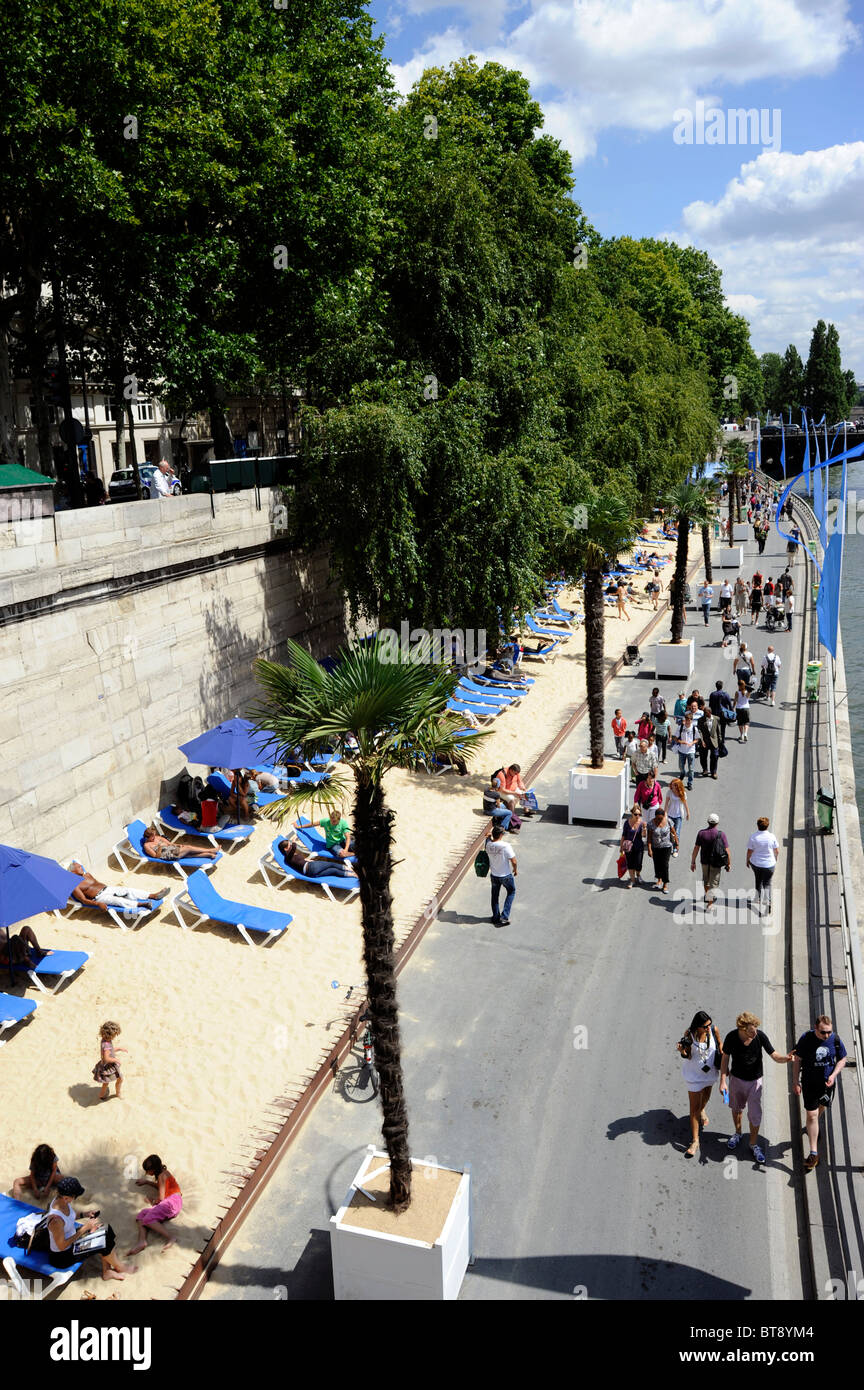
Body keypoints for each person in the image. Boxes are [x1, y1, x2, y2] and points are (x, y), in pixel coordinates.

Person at [719, 1012, 792, 1165]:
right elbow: (725, 1058)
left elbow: (774, 1055)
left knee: (755, 1114)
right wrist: (723, 1081)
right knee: (736, 1108)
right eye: (752, 1030)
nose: (755, 1032)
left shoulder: (760, 1037)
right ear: (743, 1029)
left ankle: (753, 1144)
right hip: (736, 1080)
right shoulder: (732, 1037)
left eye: (756, 1028)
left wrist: (785, 1059)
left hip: (755, 1082)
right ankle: (738, 1133)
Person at [46, 1176, 136, 1281]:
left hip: (72, 1242)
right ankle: (118, 1267)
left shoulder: (61, 1201)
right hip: (63, 1256)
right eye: (75, 1196)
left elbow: (69, 1217)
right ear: (66, 1197)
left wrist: (85, 1214)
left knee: (106, 1229)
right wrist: (85, 1228)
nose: (75, 1198)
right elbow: (62, 1246)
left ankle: (107, 1270)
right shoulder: (56, 1220)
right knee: (104, 1240)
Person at [792, 1016, 848, 1171]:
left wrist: (833, 1075)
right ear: (815, 1028)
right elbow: (797, 1060)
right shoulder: (806, 1038)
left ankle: (812, 1127)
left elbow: (842, 1059)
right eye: (823, 1032)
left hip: (827, 1085)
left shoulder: (835, 1039)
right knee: (812, 1115)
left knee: (820, 1110)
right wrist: (796, 1081)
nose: (827, 1036)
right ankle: (813, 1153)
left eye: (829, 1032)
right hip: (810, 1083)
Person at [677, 1010, 724, 1157]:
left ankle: (702, 1109)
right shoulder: (689, 1034)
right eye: (705, 1026)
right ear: (697, 1026)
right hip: (694, 1076)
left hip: (710, 1073)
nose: (708, 1028)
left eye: (709, 1024)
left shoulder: (713, 1030)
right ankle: (695, 1141)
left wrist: (723, 1060)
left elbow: (720, 1044)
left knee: (705, 1098)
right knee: (694, 1109)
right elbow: (688, 1055)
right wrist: (682, 1051)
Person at [68, 862, 167, 918]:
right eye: (78, 867)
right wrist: (98, 904)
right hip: (99, 897)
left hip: (107, 888)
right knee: (118, 901)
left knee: (128, 890)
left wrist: (111, 889)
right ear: (73, 871)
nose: (81, 867)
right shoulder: (74, 885)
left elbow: (97, 883)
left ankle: (152, 895)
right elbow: (83, 900)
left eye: (81, 866)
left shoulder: (87, 875)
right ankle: (141, 904)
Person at [128, 1155, 184, 1253]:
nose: (147, 1173)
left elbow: (161, 1198)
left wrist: (152, 1200)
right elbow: (160, 1186)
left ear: (153, 1169)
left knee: (148, 1219)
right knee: (142, 1214)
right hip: (172, 1202)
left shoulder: (162, 1176)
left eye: (147, 1170)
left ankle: (171, 1237)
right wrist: (146, 1182)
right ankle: (142, 1241)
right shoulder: (163, 1174)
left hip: (172, 1202)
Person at [690, 811, 731, 911]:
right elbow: (727, 851)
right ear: (717, 823)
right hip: (716, 863)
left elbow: (696, 848)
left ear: (708, 822)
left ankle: (707, 896)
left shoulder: (701, 833)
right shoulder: (721, 834)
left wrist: (693, 862)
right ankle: (709, 904)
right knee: (713, 883)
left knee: (706, 880)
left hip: (704, 861)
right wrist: (728, 863)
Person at [746, 816, 780, 915]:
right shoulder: (772, 836)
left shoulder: (753, 837)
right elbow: (776, 851)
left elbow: (749, 851)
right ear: (767, 826)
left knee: (758, 879)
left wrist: (747, 860)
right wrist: (775, 859)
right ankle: (768, 901)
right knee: (767, 883)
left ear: (758, 825)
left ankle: (758, 897)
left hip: (756, 864)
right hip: (769, 865)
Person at [278, 837, 358, 878]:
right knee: (331, 864)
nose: (291, 845)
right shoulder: (287, 857)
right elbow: (293, 849)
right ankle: (351, 870)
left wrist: (307, 859)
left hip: (310, 872)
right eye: (289, 845)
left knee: (332, 870)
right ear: (286, 849)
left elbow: (298, 861)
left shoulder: (290, 857)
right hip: (311, 867)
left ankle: (352, 875)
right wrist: (294, 842)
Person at [485, 823, 516, 926]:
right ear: (501, 835)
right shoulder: (505, 846)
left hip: (494, 875)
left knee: (494, 896)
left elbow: (488, 838)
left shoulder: (488, 845)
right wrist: (515, 870)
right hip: (506, 875)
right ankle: (504, 916)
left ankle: (495, 917)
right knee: (511, 892)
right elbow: (513, 860)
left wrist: (489, 836)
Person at [141, 827, 219, 861]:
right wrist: (160, 848)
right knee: (189, 848)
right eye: (152, 836)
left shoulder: (157, 837)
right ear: (147, 837)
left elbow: (170, 844)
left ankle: (209, 854)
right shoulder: (147, 845)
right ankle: (211, 850)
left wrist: (178, 845)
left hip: (172, 850)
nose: (155, 837)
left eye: (155, 834)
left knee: (189, 854)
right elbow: (156, 857)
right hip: (166, 854)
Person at [93, 1021, 127, 1101]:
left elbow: (109, 1051)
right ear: (110, 1035)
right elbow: (106, 1058)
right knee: (120, 1079)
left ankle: (101, 1096)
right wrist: (116, 1060)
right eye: (114, 1035)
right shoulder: (107, 1044)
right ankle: (117, 1093)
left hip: (104, 1065)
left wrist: (118, 1049)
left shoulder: (104, 1040)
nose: (115, 1037)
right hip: (109, 1066)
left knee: (105, 1082)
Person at [647, 808, 677, 893]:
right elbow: (649, 838)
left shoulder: (668, 821)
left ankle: (665, 884)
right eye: (657, 818)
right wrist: (649, 849)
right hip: (655, 847)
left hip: (666, 847)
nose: (659, 820)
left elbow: (674, 833)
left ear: (664, 816)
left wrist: (676, 844)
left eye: (661, 818)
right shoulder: (651, 824)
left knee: (665, 865)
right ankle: (659, 880)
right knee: (657, 864)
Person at [619, 807, 646, 888]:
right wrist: (621, 847)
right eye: (636, 814)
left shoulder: (641, 823)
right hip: (628, 847)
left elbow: (644, 836)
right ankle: (632, 880)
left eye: (639, 814)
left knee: (638, 864)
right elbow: (623, 835)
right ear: (632, 814)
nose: (638, 816)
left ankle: (638, 874)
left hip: (639, 847)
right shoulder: (627, 823)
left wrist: (644, 828)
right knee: (630, 864)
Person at [672, 713, 697, 790]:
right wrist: (681, 741)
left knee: (691, 769)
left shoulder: (694, 728)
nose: (688, 722)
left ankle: (690, 783)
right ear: (685, 720)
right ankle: (682, 774)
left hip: (691, 751)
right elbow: (675, 738)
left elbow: (697, 739)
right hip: (682, 751)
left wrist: (692, 743)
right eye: (686, 720)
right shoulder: (681, 727)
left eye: (689, 720)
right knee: (681, 767)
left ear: (692, 720)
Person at [664, 778, 689, 856]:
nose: (672, 785)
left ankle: (675, 849)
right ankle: (668, 847)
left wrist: (688, 813)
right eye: (671, 784)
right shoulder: (669, 792)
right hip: (670, 815)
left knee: (677, 833)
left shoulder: (683, 793)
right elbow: (666, 804)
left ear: (677, 786)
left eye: (674, 785)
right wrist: (665, 814)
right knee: (669, 832)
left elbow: (685, 804)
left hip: (678, 816)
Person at [697, 708, 721, 779]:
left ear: (710, 712)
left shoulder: (716, 719)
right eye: (704, 712)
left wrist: (720, 741)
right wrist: (702, 741)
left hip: (714, 741)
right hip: (704, 741)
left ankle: (713, 772)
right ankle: (705, 770)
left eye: (706, 713)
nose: (704, 714)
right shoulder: (701, 720)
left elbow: (718, 730)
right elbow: (700, 731)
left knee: (714, 757)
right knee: (703, 757)